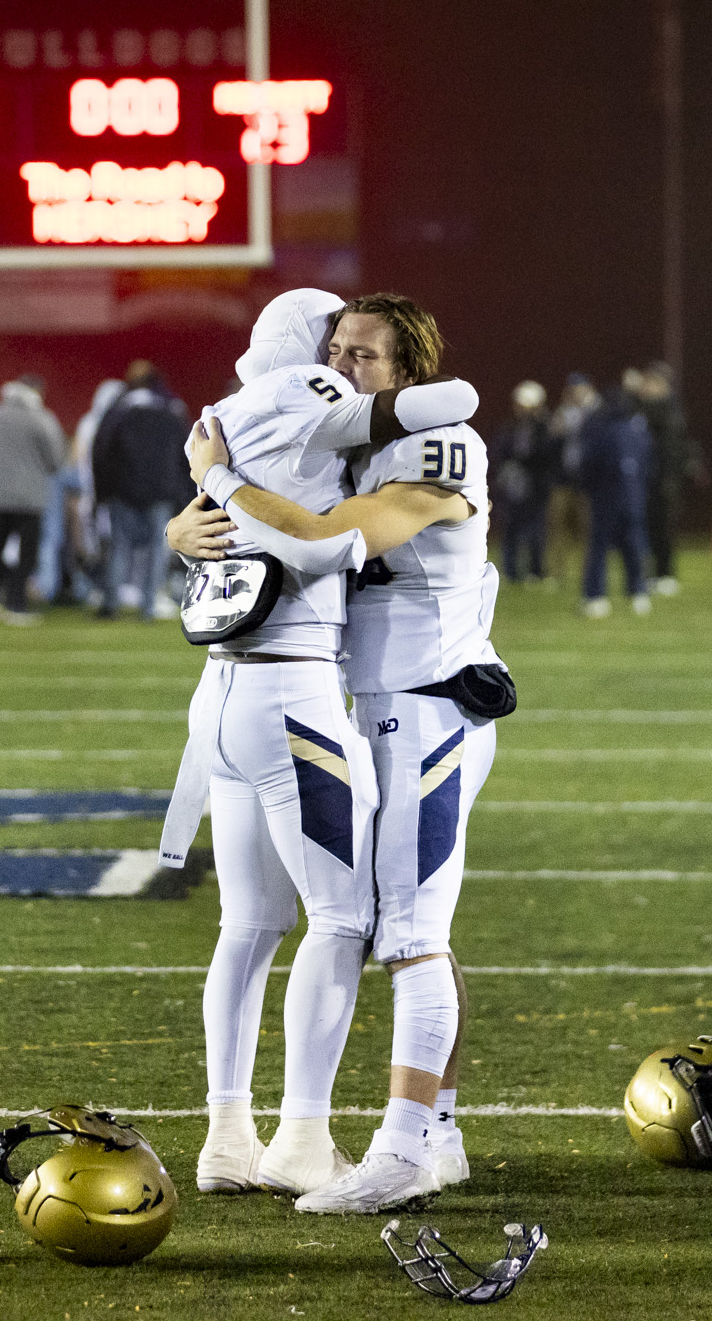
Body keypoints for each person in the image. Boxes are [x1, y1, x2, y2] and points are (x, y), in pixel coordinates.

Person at [171, 292, 501, 1214]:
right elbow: (256, 535)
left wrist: (221, 480)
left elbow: (323, 541)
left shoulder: (440, 447)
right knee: (397, 927)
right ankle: (431, 1135)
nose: (343, 368)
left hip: (426, 709)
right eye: (338, 350)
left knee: (407, 933)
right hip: (361, 703)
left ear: (407, 372)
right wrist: (184, 522)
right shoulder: (330, 439)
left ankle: (401, 1147)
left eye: (364, 357)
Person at [92, 364, 191, 619]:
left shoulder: (117, 413)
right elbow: (186, 456)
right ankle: (148, 606)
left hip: (123, 492)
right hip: (160, 493)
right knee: (156, 551)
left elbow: (101, 453)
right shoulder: (171, 413)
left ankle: (111, 604)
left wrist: (102, 492)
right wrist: (183, 495)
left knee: (119, 548)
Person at [0, 376, 64, 618]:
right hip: (29, 496)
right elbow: (56, 458)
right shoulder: (40, 417)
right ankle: (16, 604)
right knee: (26, 554)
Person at [578, 375, 652, 617]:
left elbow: (588, 467)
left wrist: (591, 491)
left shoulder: (602, 433)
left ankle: (596, 597)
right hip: (633, 499)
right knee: (633, 546)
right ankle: (638, 593)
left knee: (599, 548)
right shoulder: (639, 432)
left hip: (606, 500)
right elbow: (648, 467)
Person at [40, 378, 119, 605]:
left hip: (95, 496)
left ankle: (87, 588)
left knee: (93, 545)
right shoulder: (99, 422)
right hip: (99, 496)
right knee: (94, 545)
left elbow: (75, 459)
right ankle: (88, 588)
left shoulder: (90, 422)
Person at [636, 361, 699, 596]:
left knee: (663, 529)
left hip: (665, 479)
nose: (647, 387)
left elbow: (672, 446)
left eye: (652, 382)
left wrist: (672, 477)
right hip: (651, 478)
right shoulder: (650, 407)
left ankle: (666, 574)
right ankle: (655, 573)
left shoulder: (668, 409)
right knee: (649, 529)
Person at [495, 380, 554, 584]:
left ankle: (535, 571)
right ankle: (510, 571)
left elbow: (546, 455)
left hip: (536, 486)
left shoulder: (545, 427)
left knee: (535, 530)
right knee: (511, 528)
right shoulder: (511, 427)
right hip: (515, 485)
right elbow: (500, 451)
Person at [545, 373, 596, 585]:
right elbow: (552, 439)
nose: (575, 392)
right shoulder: (563, 412)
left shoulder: (595, 411)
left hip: (587, 478)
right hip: (563, 477)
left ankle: (589, 572)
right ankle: (556, 573)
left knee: (587, 528)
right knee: (557, 526)